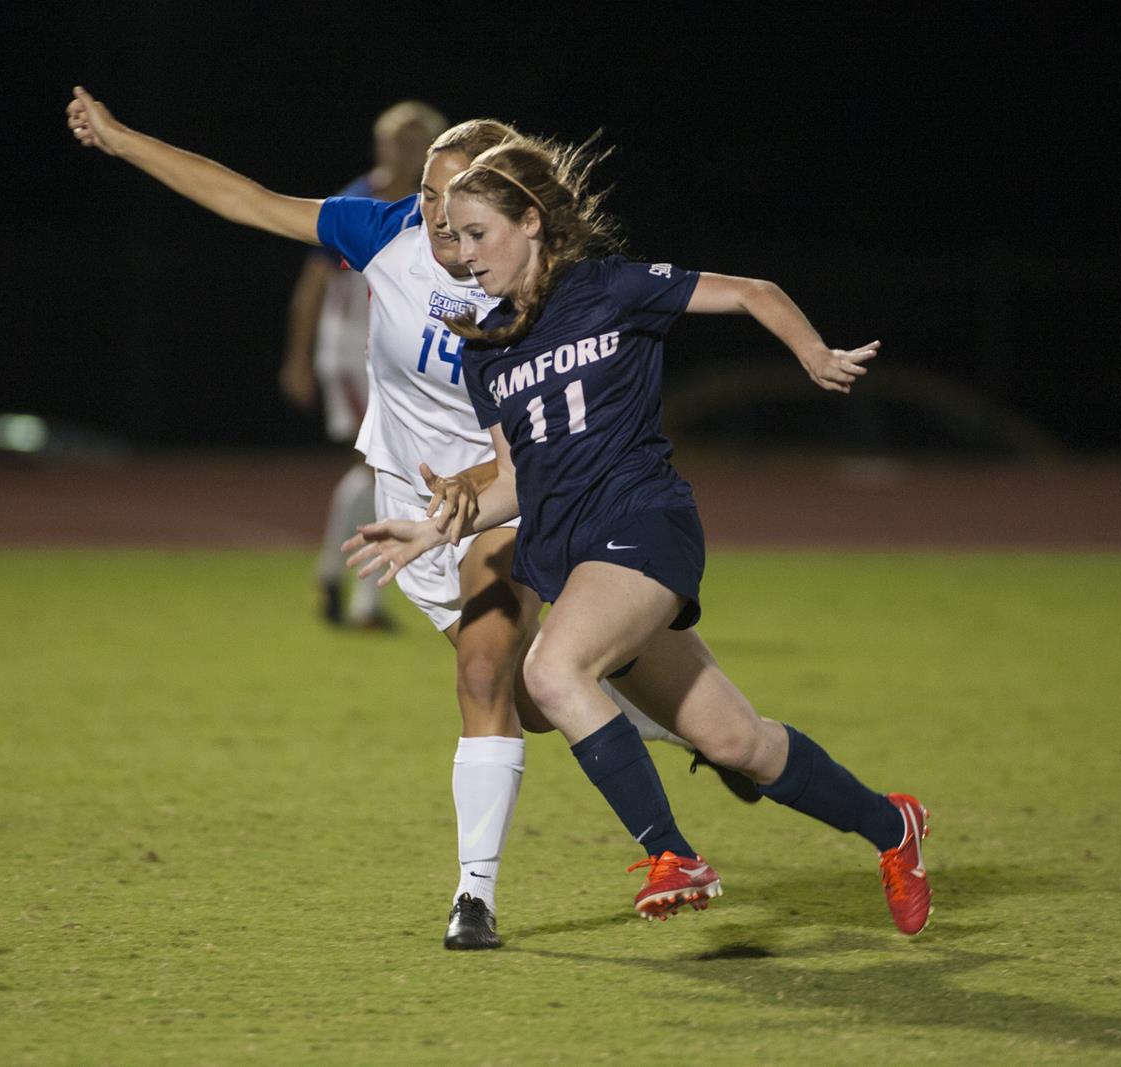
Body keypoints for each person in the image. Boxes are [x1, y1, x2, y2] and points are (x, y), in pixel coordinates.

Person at [65, 88, 747, 950]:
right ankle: (682, 723)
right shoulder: (382, 233)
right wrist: (122, 139)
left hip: (502, 500)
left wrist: (487, 486)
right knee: (530, 701)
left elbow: (559, 418)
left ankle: (474, 897)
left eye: (453, 198)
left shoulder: (533, 282)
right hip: (407, 499)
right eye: (426, 193)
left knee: (482, 671)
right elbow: (246, 200)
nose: (434, 214)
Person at [344, 136, 932, 933]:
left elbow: (753, 291)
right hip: (578, 558)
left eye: (477, 233)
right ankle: (894, 827)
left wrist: (813, 353)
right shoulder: (487, 350)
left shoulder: (611, 288)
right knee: (738, 743)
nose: (463, 253)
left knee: (551, 669)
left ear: (532, 223)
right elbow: (516, 479)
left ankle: (672, 853)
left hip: (644, 525)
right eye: (455, 234)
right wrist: (434, 527)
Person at [279, 102, 448, 630]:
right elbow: (311, 288)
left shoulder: (434, 207)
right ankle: (357, 597)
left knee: (384, 466)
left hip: (396, 357)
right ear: (381, 146)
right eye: (401, 141)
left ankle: (337, 581)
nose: (410, 151)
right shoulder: (359, 201)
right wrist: (297, 358)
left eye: (420, 142)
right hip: (354, 353)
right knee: (385, 466)